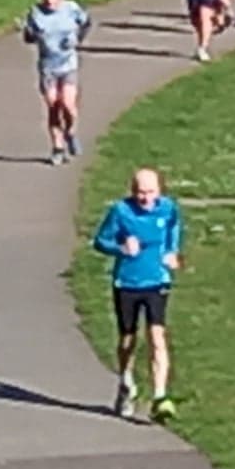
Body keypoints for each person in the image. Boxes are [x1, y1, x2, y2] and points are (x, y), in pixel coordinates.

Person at [90, 167, 184, 420]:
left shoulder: (168, 208)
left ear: (160, 190)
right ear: (132, 191)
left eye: (150, 192)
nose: (146, 198)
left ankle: (160, 396)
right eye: (141, 193)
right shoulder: (121, 211)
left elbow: (174, 229)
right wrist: (121, 247)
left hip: (157, 281)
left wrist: (172, 252)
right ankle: (126, 382)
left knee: (157, 336)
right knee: (127, 341)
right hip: (127, 283)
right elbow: (99, 241)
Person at [21, 0, 91, 165]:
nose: (50, 1)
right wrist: (29, 32)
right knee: (53, 106)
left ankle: (71, 132)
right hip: (48, 66)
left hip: (68, 64)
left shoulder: (71, 8)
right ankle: (57, 147)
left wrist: (77, 39)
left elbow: (86, 23)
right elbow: (29, 38)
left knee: (68, 104)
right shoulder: (36, 13)